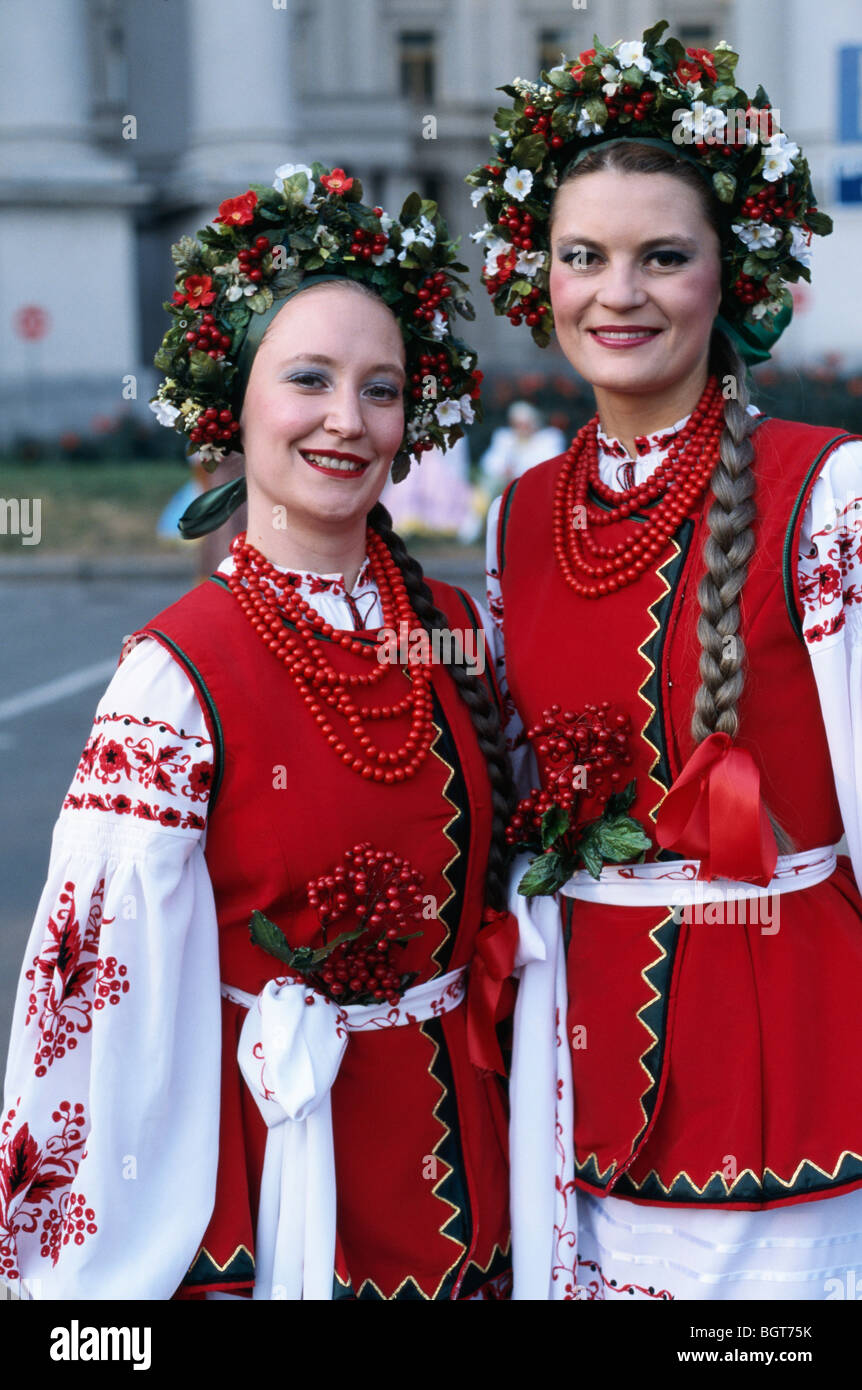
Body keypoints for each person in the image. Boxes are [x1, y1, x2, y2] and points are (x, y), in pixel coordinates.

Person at [0, 164, 515, 1301]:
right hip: (278, 1193)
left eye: (380, 388)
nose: (348, 419)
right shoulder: (170, 677)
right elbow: (92, 998)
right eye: (309, 379)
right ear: (231, 401)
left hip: (474, 1192)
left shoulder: (456, 627)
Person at [470, 23, 862, 1299]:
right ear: (540, 280)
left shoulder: (829, 491)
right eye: (583, 257)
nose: (617, 293)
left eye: (662, 257)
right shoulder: (518, 513)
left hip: (787, 1067)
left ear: (727, 276)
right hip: (572, 1067)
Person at [480, 401, 566, 490]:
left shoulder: (550, 438)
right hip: (507, 485)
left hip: (538, 485)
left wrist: (517, 470)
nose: (521, 428)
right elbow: (489, 462)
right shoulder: (505, 437)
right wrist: (503, 469)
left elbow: (548, 464)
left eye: (525, 424)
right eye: (517, 424)